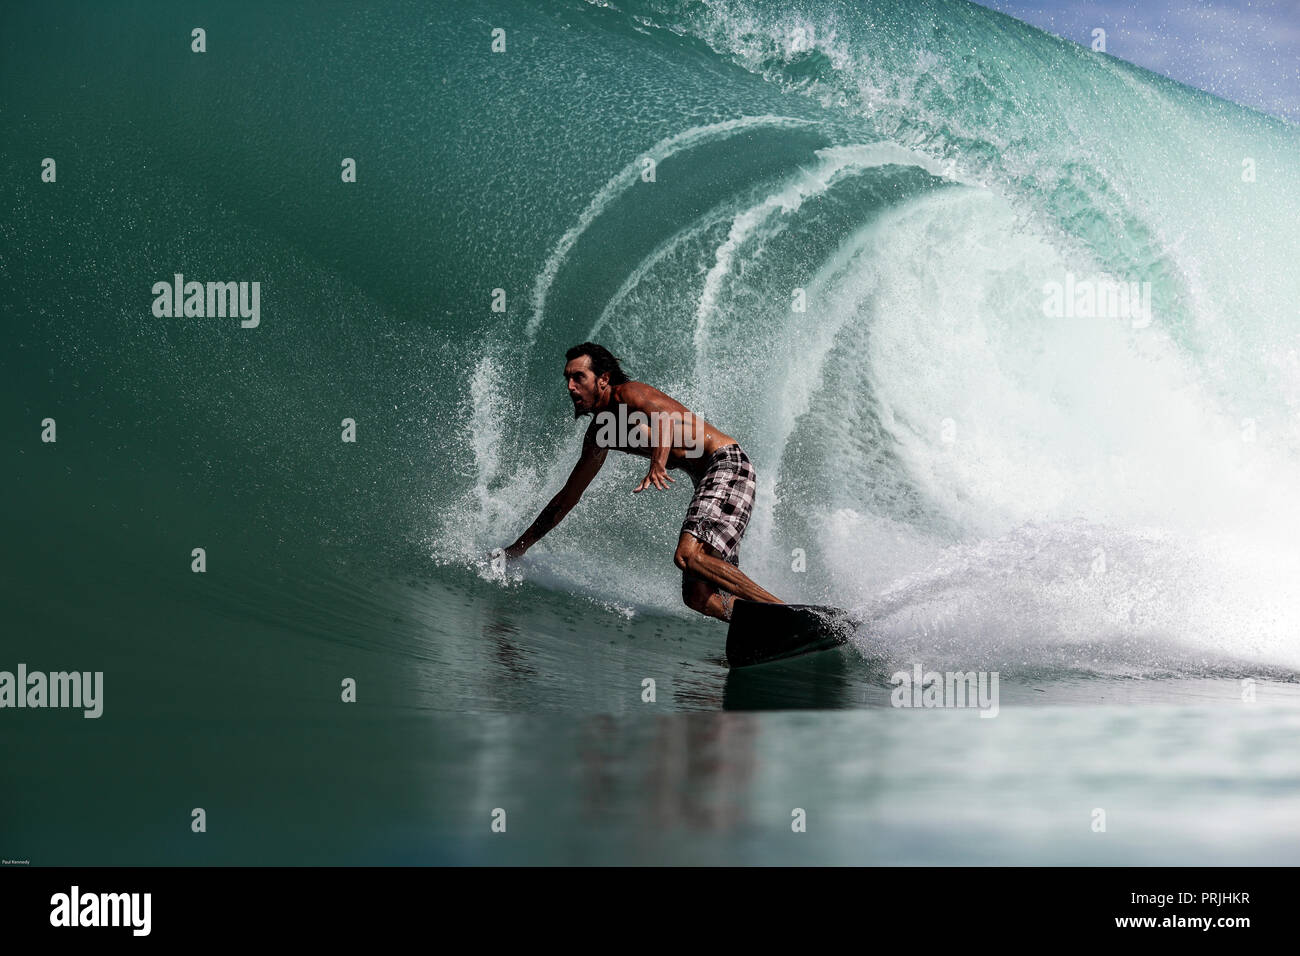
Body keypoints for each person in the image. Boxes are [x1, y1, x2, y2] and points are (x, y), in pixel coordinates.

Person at [502, 342, 783, 621]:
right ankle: (768, 629)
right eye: (568, 378)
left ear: (603, 380)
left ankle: (783, 613)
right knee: (698, 595)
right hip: (713, 478)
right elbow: (567, 499)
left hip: (726, 463)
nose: (570, 386)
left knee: (688, 555)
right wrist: (519, 547)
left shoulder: (628, 393)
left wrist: (658, 463)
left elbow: (667, 420)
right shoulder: (600, 433)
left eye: (579, 377)